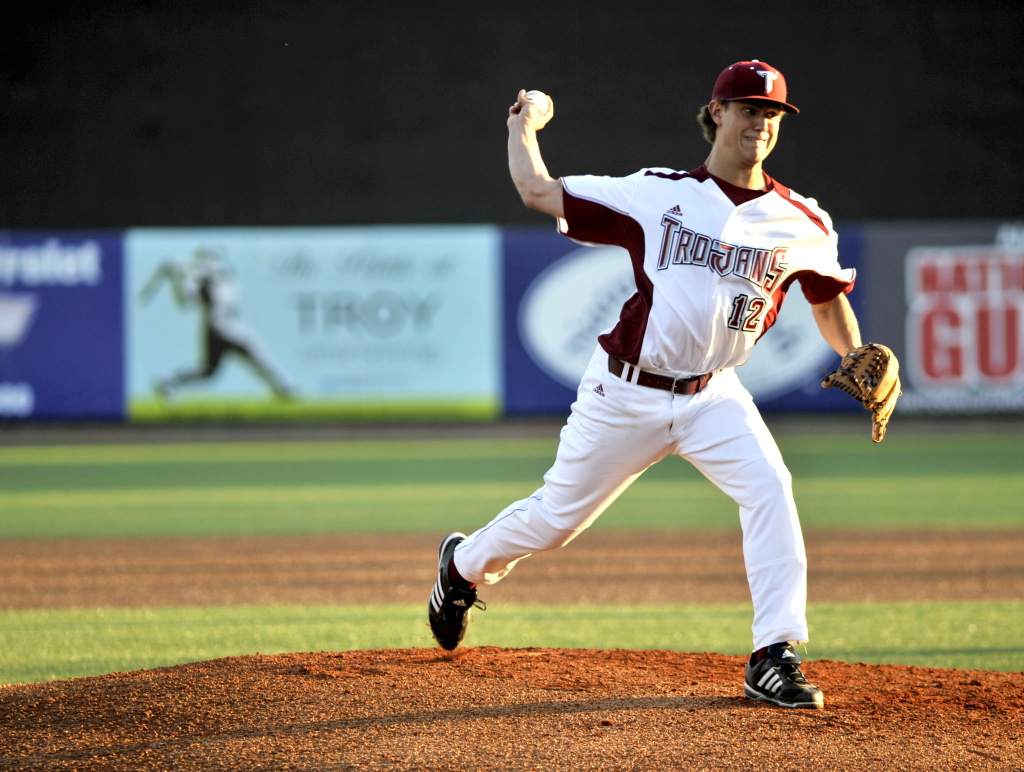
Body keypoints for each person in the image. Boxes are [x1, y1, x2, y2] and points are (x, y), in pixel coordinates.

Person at [429, 61, 862, 709]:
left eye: (771, 113)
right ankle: (462, 567)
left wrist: (856, 353)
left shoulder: (801, 220)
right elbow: (537, 191)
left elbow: (826, 296)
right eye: (748, 109)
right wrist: (525, 126)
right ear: (716, 113)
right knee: (555, 520)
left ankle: (774, 653)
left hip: (714, 395)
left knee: (771, 486)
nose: (761, 123)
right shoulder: (658, 195)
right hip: (626, 391)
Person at [138, 247, 296, 402]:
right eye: (208, 257)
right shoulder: (201, 278)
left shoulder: (220, 273)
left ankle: (169, 381)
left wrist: (188, 270)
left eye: (214, 257)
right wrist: (180, 276)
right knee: (255, 346)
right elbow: (185, 301)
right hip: (222, 326)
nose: (212, 260)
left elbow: (221, 275)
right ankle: (285, 387)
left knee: (208, 371)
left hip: (216, 327)